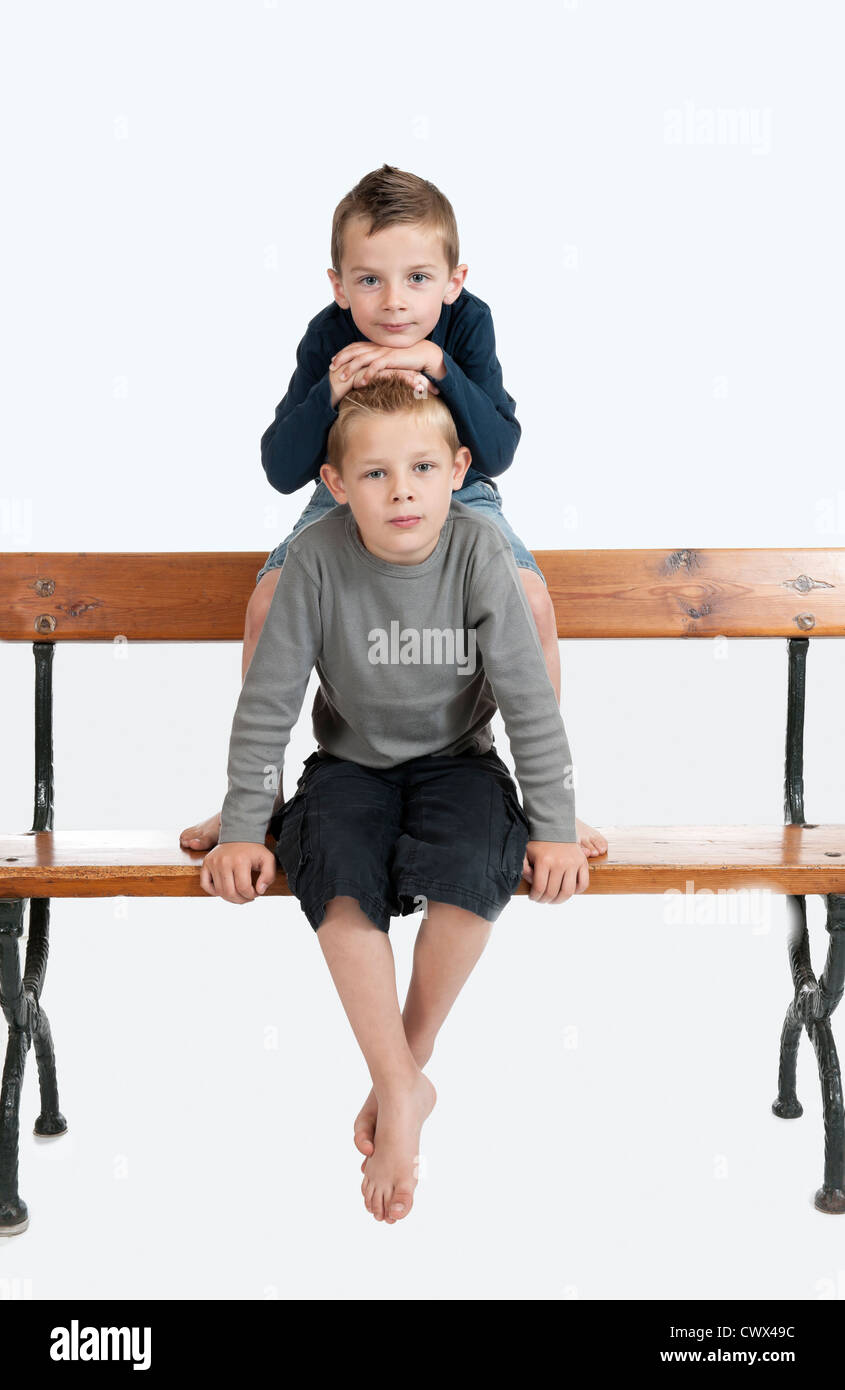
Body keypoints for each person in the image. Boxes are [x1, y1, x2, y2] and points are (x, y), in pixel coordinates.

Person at [199, 375, 592, 1224]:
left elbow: (526, 699)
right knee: (332, 870)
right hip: (349, 765)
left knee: (475, 869)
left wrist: (554, 826)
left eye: (420, 467)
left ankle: (400, 1075)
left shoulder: (481, 552)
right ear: (337, 486)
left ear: (458, 470)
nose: (402, 490)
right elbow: (268, 701)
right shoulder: (314, 558)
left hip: (460, 761)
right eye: (374, 474)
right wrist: (241, 826)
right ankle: (402, 1086)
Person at [182, 161, 607, 860]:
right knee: (268, 604)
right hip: (345, 487)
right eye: (368, 279)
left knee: (529, 603)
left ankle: (544, 805)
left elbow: (494, 450)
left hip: (456, 487)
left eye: (416, 278)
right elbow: (281, 469)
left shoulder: (467, 326)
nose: (392, 302)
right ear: (339, 284)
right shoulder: (330, 335)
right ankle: (256, 803)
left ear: (453, 280)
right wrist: (326, 393)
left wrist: (441, 366)